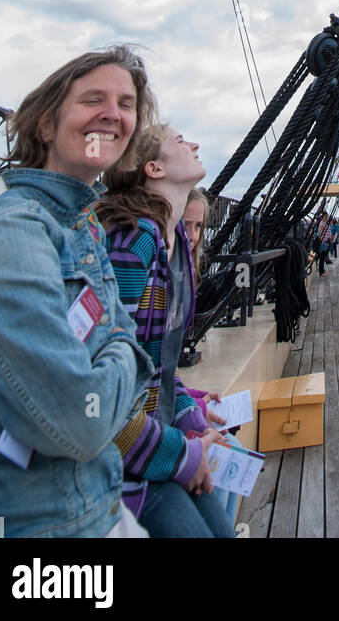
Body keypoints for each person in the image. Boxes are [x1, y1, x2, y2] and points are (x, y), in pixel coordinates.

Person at [0, 46, 157, 537]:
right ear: (46, 125)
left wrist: (111, 352)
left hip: (99, 505)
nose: (113, 114)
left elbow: (107, 378)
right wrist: (128, 356)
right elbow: (79, 419)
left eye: (126, 104)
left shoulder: (82, 226)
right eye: (94, 99)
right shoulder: (11, 235)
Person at [96, 124, 235, 539]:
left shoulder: (169, 241)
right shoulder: (133, 241)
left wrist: (189, 413)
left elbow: (157, 364)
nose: (193, 143)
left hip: (158, 438)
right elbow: (112, 382)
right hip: (127, 463)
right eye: (180, 141)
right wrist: (182, 455)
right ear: (154, 168)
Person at [313, 211, 332, 276]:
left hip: (326, 242)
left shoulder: (326, 223)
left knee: (323, 256)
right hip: (323, 242)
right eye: (326, 216)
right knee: (322, 257)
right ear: (323, 216)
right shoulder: (322, 223)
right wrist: (323, 241)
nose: (327, 217)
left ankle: (322, 270)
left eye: (327, 216)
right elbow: (321, 233)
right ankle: (321, 272)